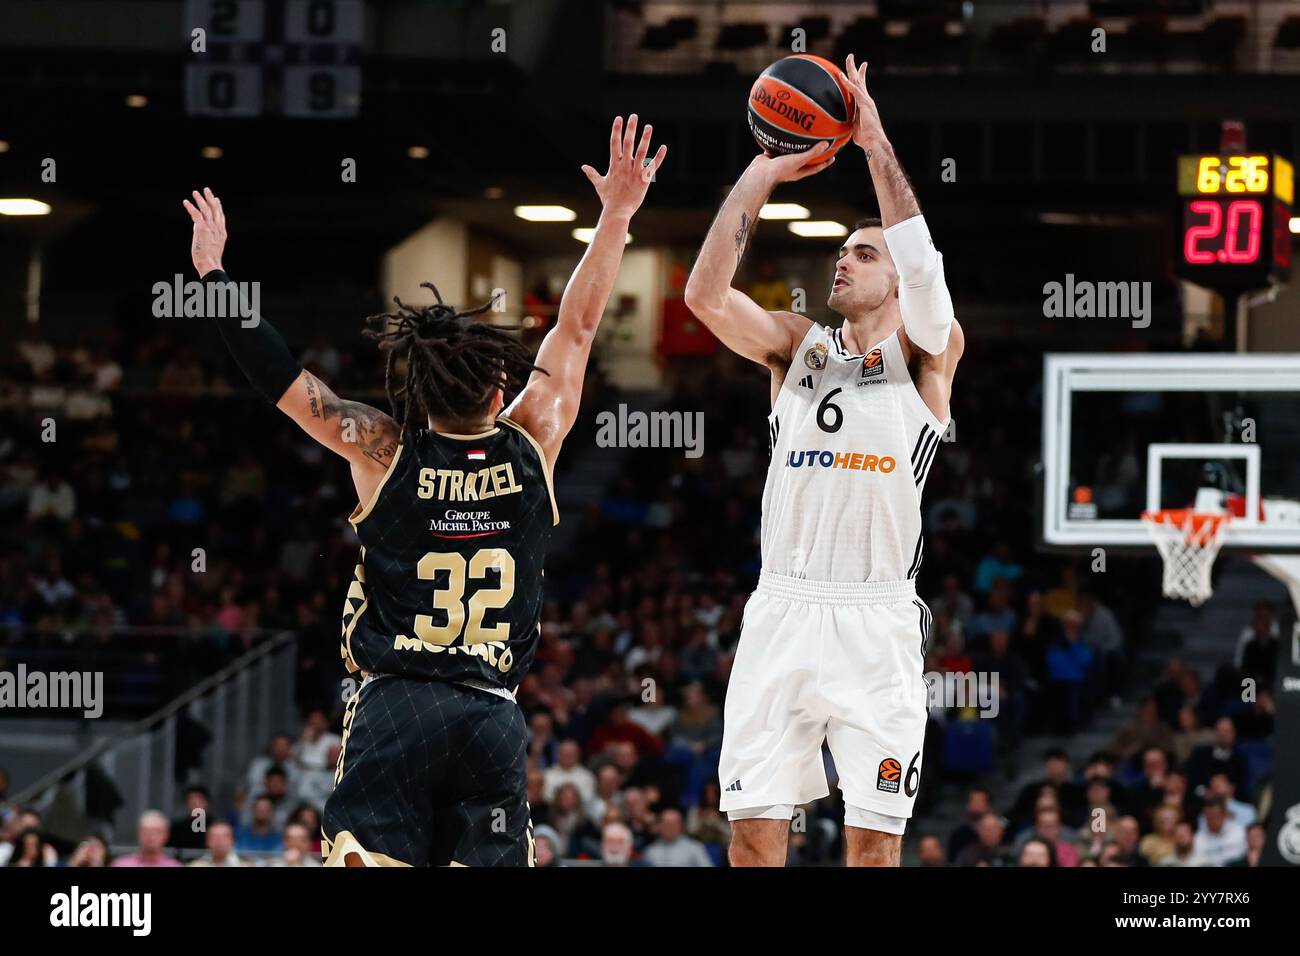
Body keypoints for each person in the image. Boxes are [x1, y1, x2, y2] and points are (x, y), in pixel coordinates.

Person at [184, 117, 665, 867]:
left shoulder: (382, 447)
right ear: (503, 385)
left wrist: (214, 278)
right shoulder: (536, 434)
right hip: (490, 713)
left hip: (396, 704)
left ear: (415, 391)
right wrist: (616, 217)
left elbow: (276, 374)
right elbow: (578, 327)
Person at [684, 54, 962, 868]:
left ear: (898, 279)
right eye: (841, 250)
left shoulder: (927, 355)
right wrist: (763, 169)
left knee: (873, 851)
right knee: (752, 840)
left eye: (864, 253)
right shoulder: (795, 348)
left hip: (876, 619)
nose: (844, 259)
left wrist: (875, 145)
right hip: (782, 610)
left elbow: (926, 270)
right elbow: (705, 297)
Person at [642, 808, 714, 867]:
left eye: (673, 824)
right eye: (666, 824)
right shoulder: (650, 851)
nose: (669, 828)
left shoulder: (695, 848)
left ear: (681, 826)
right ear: (660, 826)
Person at [110, 810, 183, 867]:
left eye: (156, 831)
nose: (151, 836)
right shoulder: (121, 865)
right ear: (138, 833)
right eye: (146, 831)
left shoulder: (174, 866)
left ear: (166, 835)